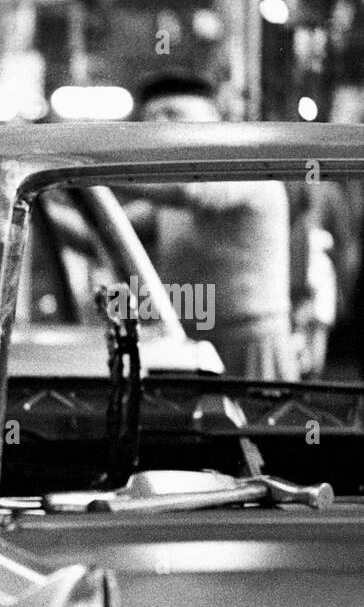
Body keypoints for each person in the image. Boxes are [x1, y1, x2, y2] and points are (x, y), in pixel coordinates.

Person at [125, 73, 295, 380]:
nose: (160, 125)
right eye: (151, 118)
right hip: (190, 340)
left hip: (249, 339)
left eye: (173, 113)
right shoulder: (168, 194)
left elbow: (193, 192)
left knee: (255, 425)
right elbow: (104, 232)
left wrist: (91, 171)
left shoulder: (246, 167)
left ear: (212, 118)